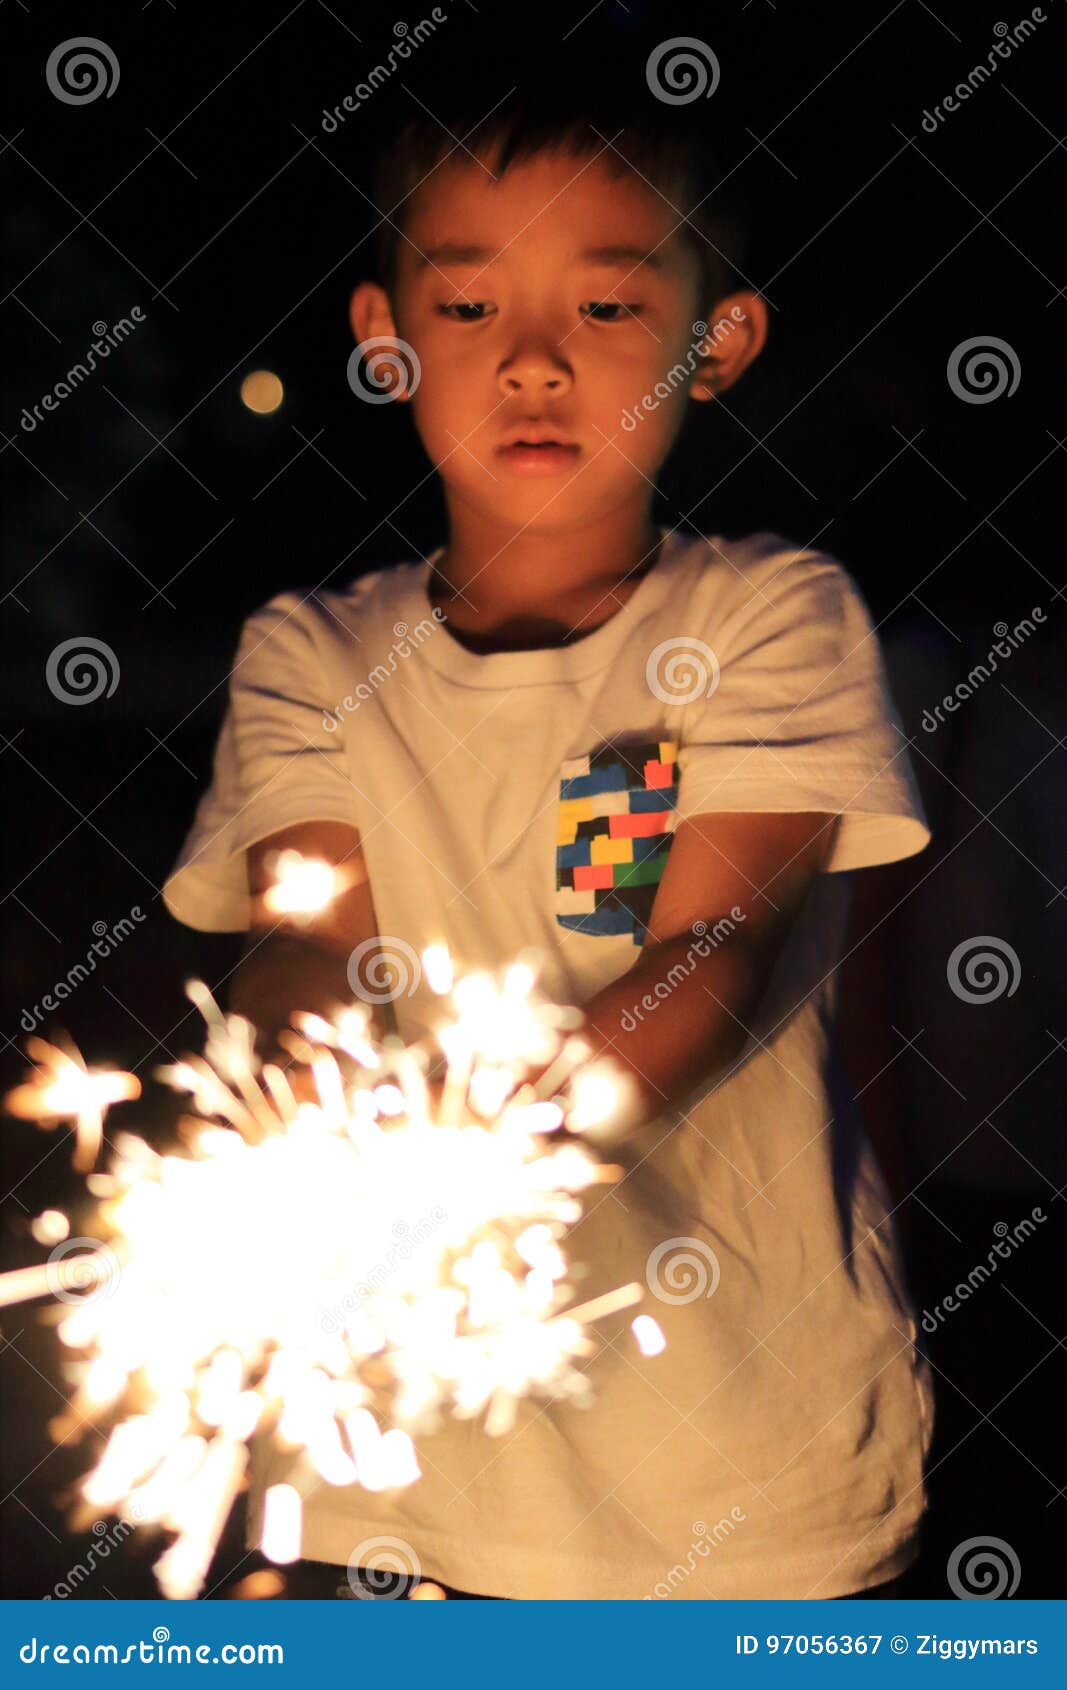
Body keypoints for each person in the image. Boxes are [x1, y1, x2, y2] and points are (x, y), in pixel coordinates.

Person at [163, 54, 934, 1601]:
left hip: (743, 1499)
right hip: (400, 1494)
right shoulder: (309, 657)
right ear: (385, 341)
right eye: (467, 309)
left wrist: (470, 1155)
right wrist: (277, 1124)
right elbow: (310, 946)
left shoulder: (771, 619)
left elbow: (706, 950)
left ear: (714, 342)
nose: (529, 362)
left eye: (605, 307)